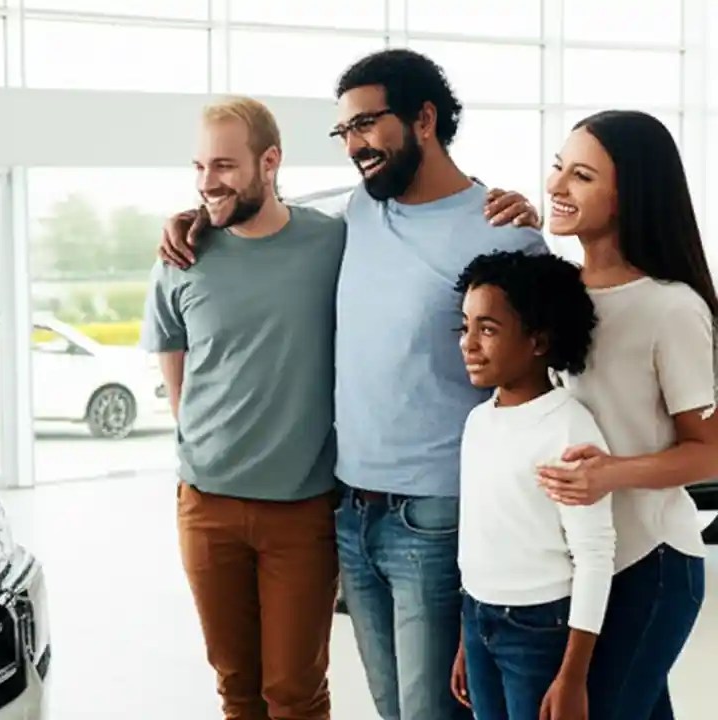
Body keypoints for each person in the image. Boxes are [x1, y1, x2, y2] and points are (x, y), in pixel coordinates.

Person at [158, 49, 548, 720]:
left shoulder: (503, 233)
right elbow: (259, 214)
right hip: (350, 508)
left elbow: (536, 390)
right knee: (391, 707)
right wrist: (191, 214)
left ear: (424, 119)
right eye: (344, 131)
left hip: (436, 512)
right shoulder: (360, 212)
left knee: (428, 711)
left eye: (367, 124)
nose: (353, 145)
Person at [141, 95, 342, 720]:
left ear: (270, 162)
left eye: (225, 166)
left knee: (295, 694)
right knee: (236, 688)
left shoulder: (332, 242)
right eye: (200, 167)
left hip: (302, 510)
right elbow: (175, 365)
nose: (208, 183)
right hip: (207, 508)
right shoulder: (182, 257)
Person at [535, 110, 718, 720]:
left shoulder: (671, 309)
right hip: (582, 564)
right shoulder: (555, 293)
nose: (557, 185)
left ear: (629, 195)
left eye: (581, 176)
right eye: (559, 167)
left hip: (651, 564)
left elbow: (710, 450)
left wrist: (610, 473)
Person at [449, 249, 613, 720]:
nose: (468, 343)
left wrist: (573, 677)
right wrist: (466, 639)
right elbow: (479, 538)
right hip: (478, 617)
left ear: (538, 341)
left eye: (488, 330)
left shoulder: (567, 427)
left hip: (539, 628)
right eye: (465, 326)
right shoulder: (478, 422)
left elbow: (595, 555)